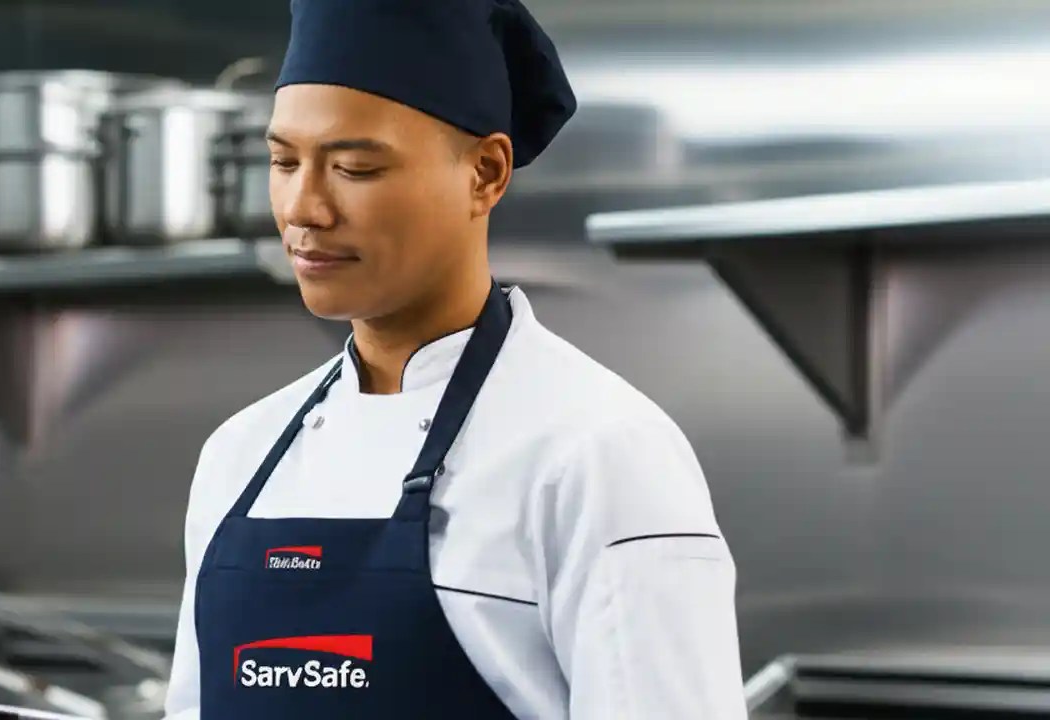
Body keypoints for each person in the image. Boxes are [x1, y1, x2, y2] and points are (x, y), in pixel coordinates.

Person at [163, 0, 747, 717]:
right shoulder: (240, 454)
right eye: (284, 161)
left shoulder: (597, 456)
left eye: (354, 167)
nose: (303, 208)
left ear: (486, 173)